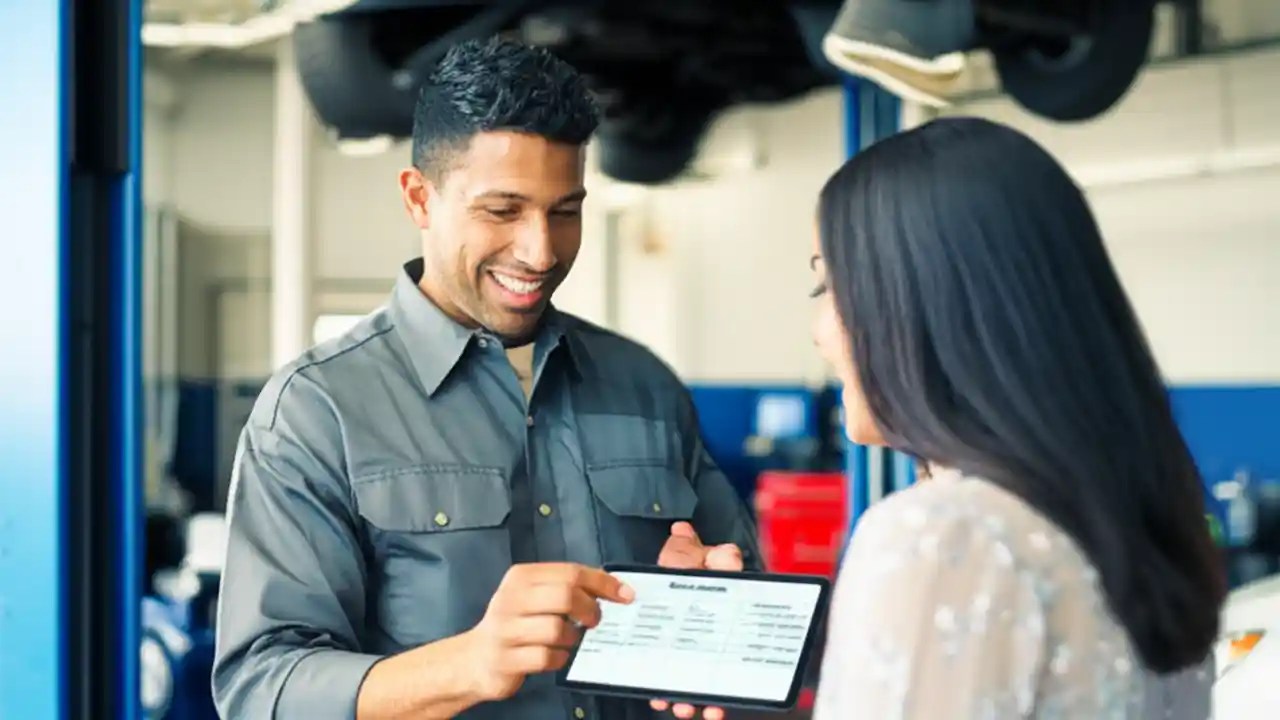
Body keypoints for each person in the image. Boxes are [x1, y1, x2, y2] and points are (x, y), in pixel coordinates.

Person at [212, 37, 759, 720]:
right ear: (419, 198)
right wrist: (468, 665)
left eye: (565, 211)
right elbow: (262, 688)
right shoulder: (316, 411)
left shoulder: (644, 386)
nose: (540, 250)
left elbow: (748, 631)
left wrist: (705, 613)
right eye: (502, 211)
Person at [807, 117, 1226, 718]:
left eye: (826, 288)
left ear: (920, 301)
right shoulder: (1140, 521)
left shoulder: (948, 535)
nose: (819, 332)